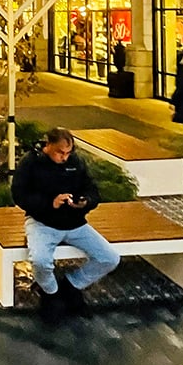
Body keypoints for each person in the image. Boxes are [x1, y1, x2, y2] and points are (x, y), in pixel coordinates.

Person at [11, 126, 120, 323]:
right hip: (42, 222)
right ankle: (50, 294)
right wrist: (48, 203)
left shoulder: (76, 162)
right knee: (40, 261)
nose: (64, 157)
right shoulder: (31, 163)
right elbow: (19, 194)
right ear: (48, 145)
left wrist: (85, 201)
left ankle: (71, 285)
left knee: (110, 258)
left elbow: (92, 189)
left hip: (74, 223)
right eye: (60, 152)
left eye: (68, 153)